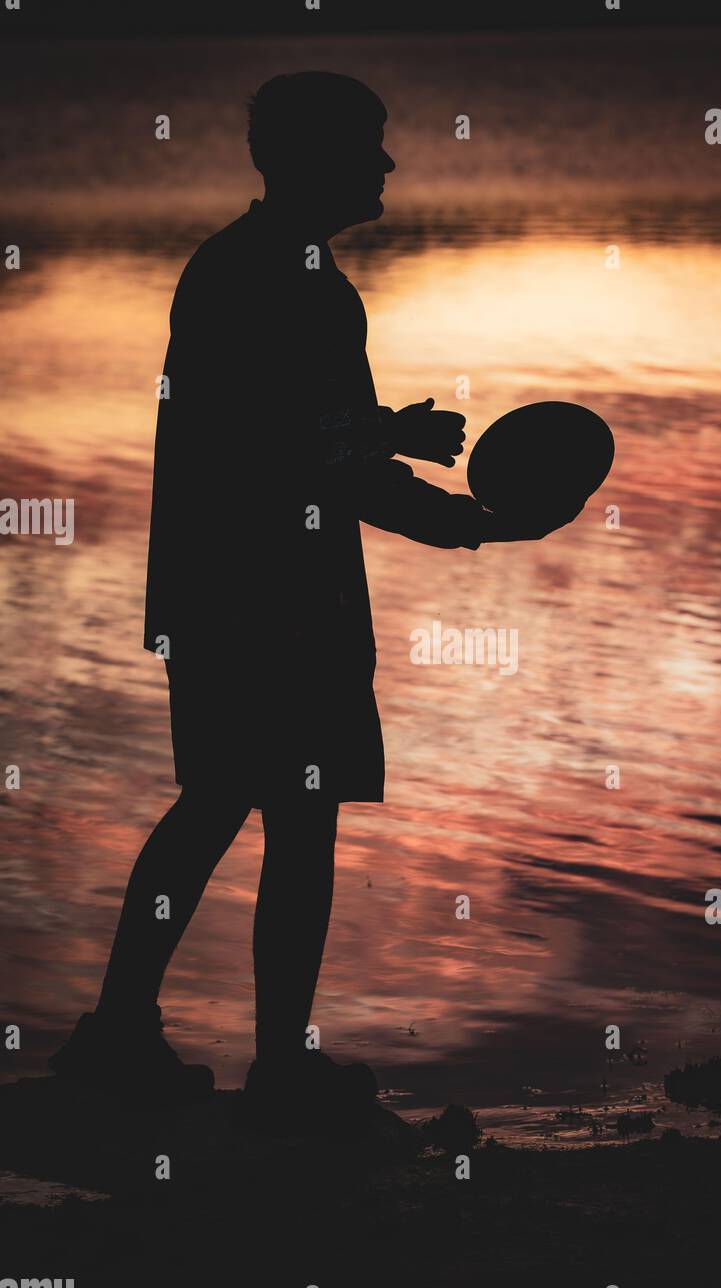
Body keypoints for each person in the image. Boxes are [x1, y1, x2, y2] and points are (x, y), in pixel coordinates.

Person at [49, 71, 575, 1129]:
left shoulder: (262, 269)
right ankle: (247, 1060)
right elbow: (294, 455)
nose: (386, 164)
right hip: (266, 600)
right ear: (310, 160)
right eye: (370, 146)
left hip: (238, 591)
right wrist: (431, 479)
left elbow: (313, 450)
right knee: (272, 814)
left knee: (239, 807)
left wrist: (420, 474)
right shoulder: (280, 280)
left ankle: (139, 1038)